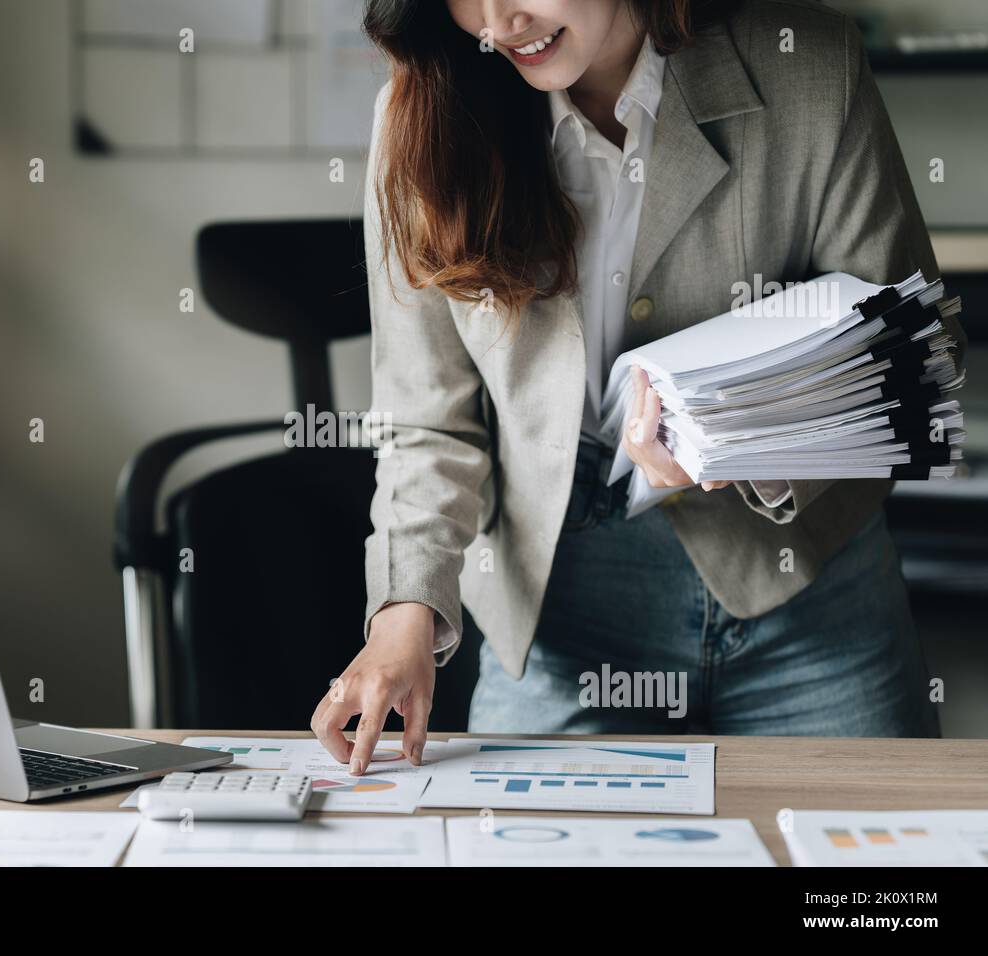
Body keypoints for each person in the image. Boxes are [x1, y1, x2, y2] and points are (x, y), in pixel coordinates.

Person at [311, 0, 963, 774]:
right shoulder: (423, 113)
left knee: (881, 891)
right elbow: (429, 424)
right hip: (567, 611)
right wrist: (402, 613)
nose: (496, 20)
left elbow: (917, 350)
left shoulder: (809, 65)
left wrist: (751, 433)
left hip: (809, 595)